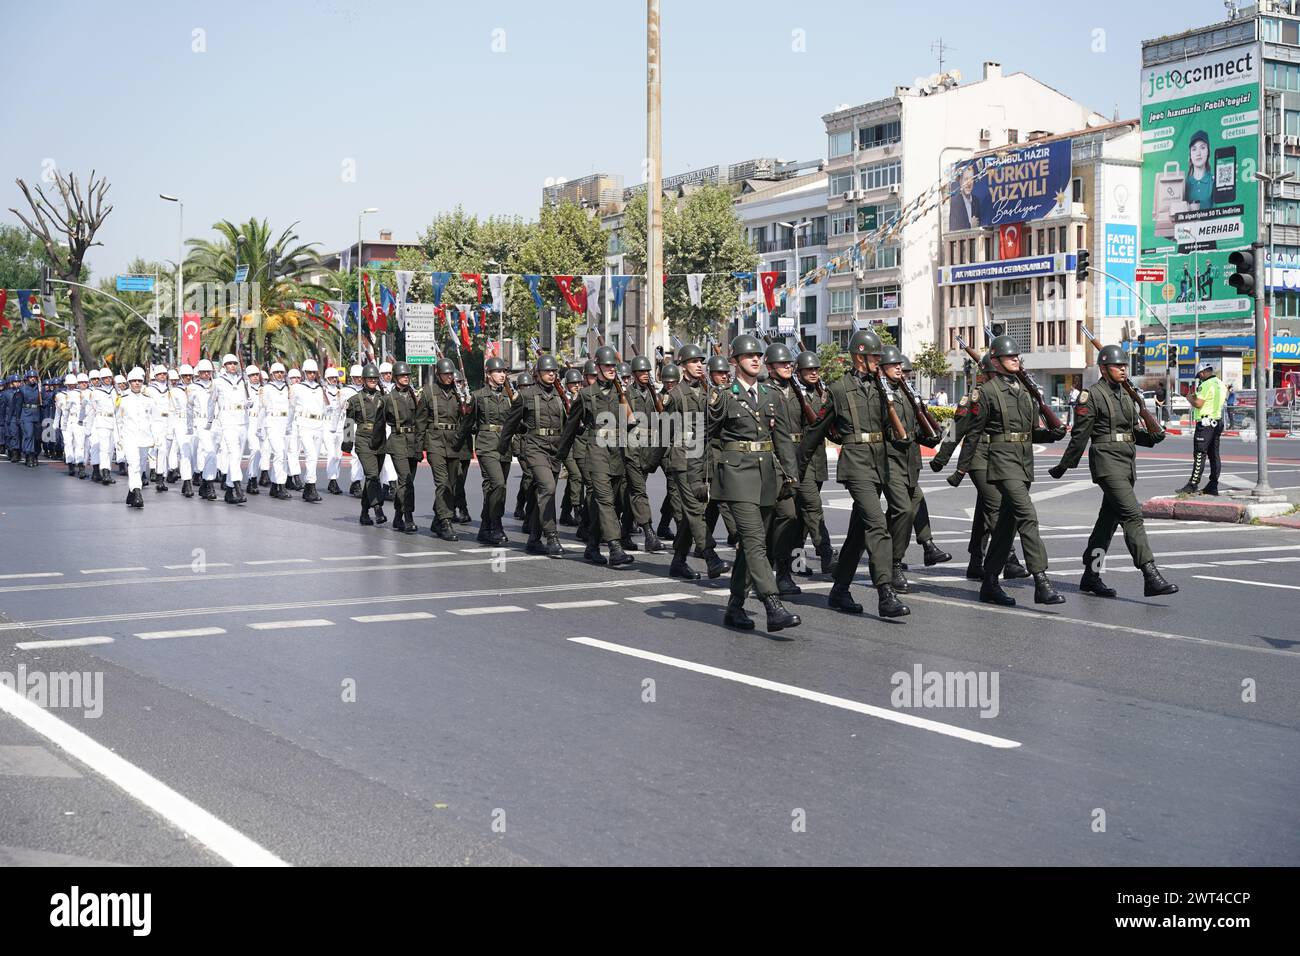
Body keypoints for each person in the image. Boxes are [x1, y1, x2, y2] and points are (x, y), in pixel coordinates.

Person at [1048, 344, 1179, 599]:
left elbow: (1131, 431)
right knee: (1132, 515)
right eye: (1117, 366)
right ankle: (1150, 574)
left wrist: (1153, 436)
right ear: (1103, 369)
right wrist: (1065, 465)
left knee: (1107, 523)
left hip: (1126, 463)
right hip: (1106, 464)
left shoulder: (1128, 395)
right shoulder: (1092, 395)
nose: (1122, 369)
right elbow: (1080, 435)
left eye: (1124, 366)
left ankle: (1091, 575)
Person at [950, 334, 1068, 607]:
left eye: (1017, 356)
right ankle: (1042, 581)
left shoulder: (1025, 392)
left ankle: (989, 581)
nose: (1016, 359)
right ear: (996, 361)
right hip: (1001, 465)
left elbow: (1027, 433)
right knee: (1027, 516)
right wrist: (959, 469)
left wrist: (1052, 434)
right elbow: (969, 433)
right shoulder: (986, 393)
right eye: (1009, 356)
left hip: (1024, 463)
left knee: (1006, 525)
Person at [799, 329, 909, 619]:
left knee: (858, 534)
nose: (879, 361)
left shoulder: (882, 386)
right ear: (860, 357)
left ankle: (839, 591)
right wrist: (795, 471)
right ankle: (886, 593)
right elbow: (816, 432)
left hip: (880, 462)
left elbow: (893, 424)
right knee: (877, 524)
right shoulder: (837, 389)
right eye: (874, 356)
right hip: (856, 464)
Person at [705, 335, 798, 632]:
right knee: (756, 541)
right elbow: (703, 437)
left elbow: (782, 439)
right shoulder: (724, 396)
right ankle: (773, 605)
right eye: (749, 356)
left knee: (751, 546)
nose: (756, 359)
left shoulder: (772, 395)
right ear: (735, 362)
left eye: (758, 355)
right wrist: (701, 478)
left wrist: (791, 475)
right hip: (736, 476)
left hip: (766, 476)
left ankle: (734, 606)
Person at [879, 347, 949, 592]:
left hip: (909, 461)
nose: (900, 369)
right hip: (889, 461)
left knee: (915, 502)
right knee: (903, 509)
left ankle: (926, 546)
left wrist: (930, 435)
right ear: (882, 368)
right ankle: (894, 564)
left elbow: (914, 425)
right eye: (895, 365)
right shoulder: (880, 394)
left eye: (902, 366)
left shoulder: (906, 393)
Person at [557, 345, 634, 568]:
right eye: (608, 365)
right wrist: (561, 454)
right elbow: (571, 426)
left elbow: (631, 423)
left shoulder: (621, 393)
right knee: (605, 500)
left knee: (604, 503)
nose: (612, 369)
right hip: (596, 451)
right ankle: (615, 548)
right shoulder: (586, 394)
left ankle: (591, 546)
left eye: (614, 366)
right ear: (598, 366)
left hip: (617, 452)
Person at [659, 344, 729, 580]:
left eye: (701, 361)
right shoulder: (675, 395)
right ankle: (710, 557)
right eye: (693, 361)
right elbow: (664, 431)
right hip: (683, 459)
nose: (699, 365)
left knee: (693, 514)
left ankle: (678, 562)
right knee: (696, 509)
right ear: (683, 366)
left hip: (705, 458)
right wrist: (650, 462)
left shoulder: (710, 393)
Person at [501, 354, 567, 557]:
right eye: (547, 371)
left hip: (555, 449)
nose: (551, 374)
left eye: (554, 371)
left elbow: (568, 423)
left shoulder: (560, 396)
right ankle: (552, 536)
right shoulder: (526, 395)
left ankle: (534, 538)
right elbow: (511, 424)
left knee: (546, 493)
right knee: (548, 487)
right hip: (535, 447)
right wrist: (502, 448)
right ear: (537, 374)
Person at [417, 357, 472, 541]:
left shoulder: (459, 394)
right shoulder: (428, 393)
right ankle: (446, 522)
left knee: (453, 484)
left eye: (451, 374)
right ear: (438, 375)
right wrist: (419, 448)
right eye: (446, 374)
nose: (449, 377)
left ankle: (437, 518)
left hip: (454, 442)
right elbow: (420, 422)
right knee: (442, 483)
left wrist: (467, 406)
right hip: (435, 442)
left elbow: (465, 421)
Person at [371, 362, 421, 534]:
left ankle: (398, 516)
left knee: (407, 482)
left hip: (413, 440)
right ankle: (408, 517)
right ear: (395, 377)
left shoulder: (414, 395)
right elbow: (379, 423)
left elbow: (421, 420)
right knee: (405, 480)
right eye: (402, 375)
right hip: (398, 440)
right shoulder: (387, 399)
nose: (406, 377)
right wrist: (376, 445)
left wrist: (421, 445)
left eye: (407, 375)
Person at [470, 357, 515, 545]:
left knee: (494, 489)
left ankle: (484, 528)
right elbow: (468, 423)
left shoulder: (510, 396)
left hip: (504, 445)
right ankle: (496, 525)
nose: (502, 375)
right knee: (498, 484)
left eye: (504, 372)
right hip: (486, 445)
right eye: (498, 371)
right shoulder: (478, 396)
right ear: (488, 374)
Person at [344, 363, 387, 526]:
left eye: (375, 378)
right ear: (363, 380)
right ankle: (377, 508)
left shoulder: (383, 398)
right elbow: (348, 422)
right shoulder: (354, 400)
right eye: (369, 378)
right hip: (363, 440)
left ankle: (364, 512)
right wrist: (347, 443)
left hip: (380, 439)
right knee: (372, 475)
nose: (372, 381)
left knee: (372, 479)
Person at [1176, 362, 1226, 496]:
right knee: (1214, 454)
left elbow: (1198, 403)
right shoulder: (1221, 384)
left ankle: (1193, 484)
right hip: (1217, 421)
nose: (1200, 378)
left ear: (1203, 373)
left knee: (1199, 454)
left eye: (1199, 375)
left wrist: (1189, 398)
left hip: (1205, 423)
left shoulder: (1205, 385)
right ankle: (1213, 485)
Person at [212, 354, 249, 504]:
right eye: (229, 364)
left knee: (237, 456)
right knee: (233, 453)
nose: (233, 366)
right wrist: (210, 421)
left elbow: (247, 398)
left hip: (243, 420)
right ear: (224, 366)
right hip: (227, 421)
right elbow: (211, 402)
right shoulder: (218, 382)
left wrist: (249, 403)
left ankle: (228, 490)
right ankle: (238, 487)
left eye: (234, 363)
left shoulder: (243, 381)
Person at [291, 359, 329, 502]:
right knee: (311, 455)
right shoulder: (297, 388)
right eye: (309, 372)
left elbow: (324, 407)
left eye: (314, 372)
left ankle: (308, 487)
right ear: (304, 373)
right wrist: (290, 427)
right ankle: (311, 485)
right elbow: (291, 407)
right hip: (304, 424)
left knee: (315, 457)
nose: (311, 375)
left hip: (318, 424)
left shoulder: (320, 388)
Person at [116, 367, 153, 509]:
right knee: (134, 464)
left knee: (142, 465)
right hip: (129, 437)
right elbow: (117, 421)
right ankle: (137, 493)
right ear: (129, 382)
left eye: (139, 381)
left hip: (144, 438)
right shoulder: (122, 399)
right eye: (134, 381)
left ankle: (131, 492)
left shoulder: (148, 400)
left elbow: (153, 419)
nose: (137, 383)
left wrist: (156, 437)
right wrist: (119, 439)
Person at [17, 370, 43, 467]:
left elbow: (44, 403)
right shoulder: (22, 389)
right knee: (29, 435)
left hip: (37, 414)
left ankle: (35, 454)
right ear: (27, 379)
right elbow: (18, 405)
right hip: (26, 414)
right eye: (31, 377)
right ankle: (29, 456)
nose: (32, 379)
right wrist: (18, 417)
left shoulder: (40, 389)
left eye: (34, 377)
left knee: (37, 437)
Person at [1184, 130, 1213, 210]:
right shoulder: (1184, 184)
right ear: (1190, 155)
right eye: (1194, 149)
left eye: (1202, 148)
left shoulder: (1214, 181)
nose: (1198, 153)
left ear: (1208, 152)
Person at [949, 164, 982, 230]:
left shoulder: (976, 201)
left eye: (971, 179)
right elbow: (954, 229)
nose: (969, 183)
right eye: (966, 179)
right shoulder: (955, 203)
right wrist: (970, 226)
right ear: (961, 182)